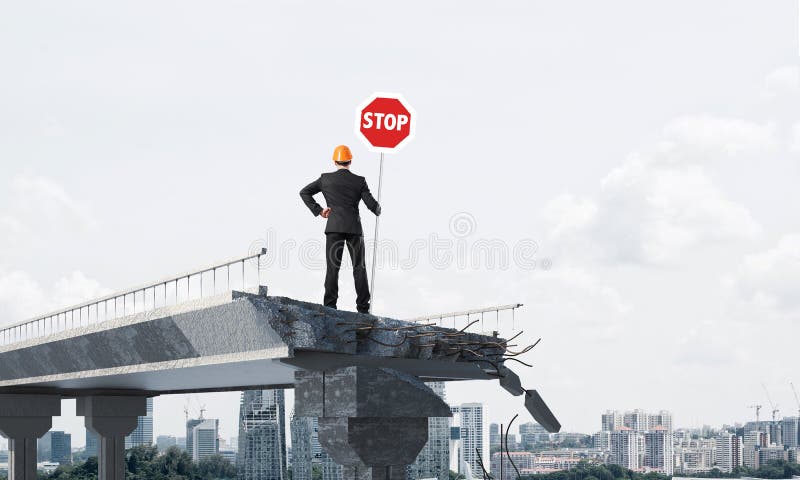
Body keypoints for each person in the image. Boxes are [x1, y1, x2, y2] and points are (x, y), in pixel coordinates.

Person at [299, 145, 381, 313]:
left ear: (335, 161)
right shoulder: (359, 181)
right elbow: (371, 205)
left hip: (334, 227)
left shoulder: (325, 179)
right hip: (354, 228)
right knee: (359, 267)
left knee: (332, 268)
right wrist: (378, 209)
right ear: (350, 161)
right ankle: (363, 308)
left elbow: (304, 192)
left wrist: (319, 210)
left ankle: (330, 306)